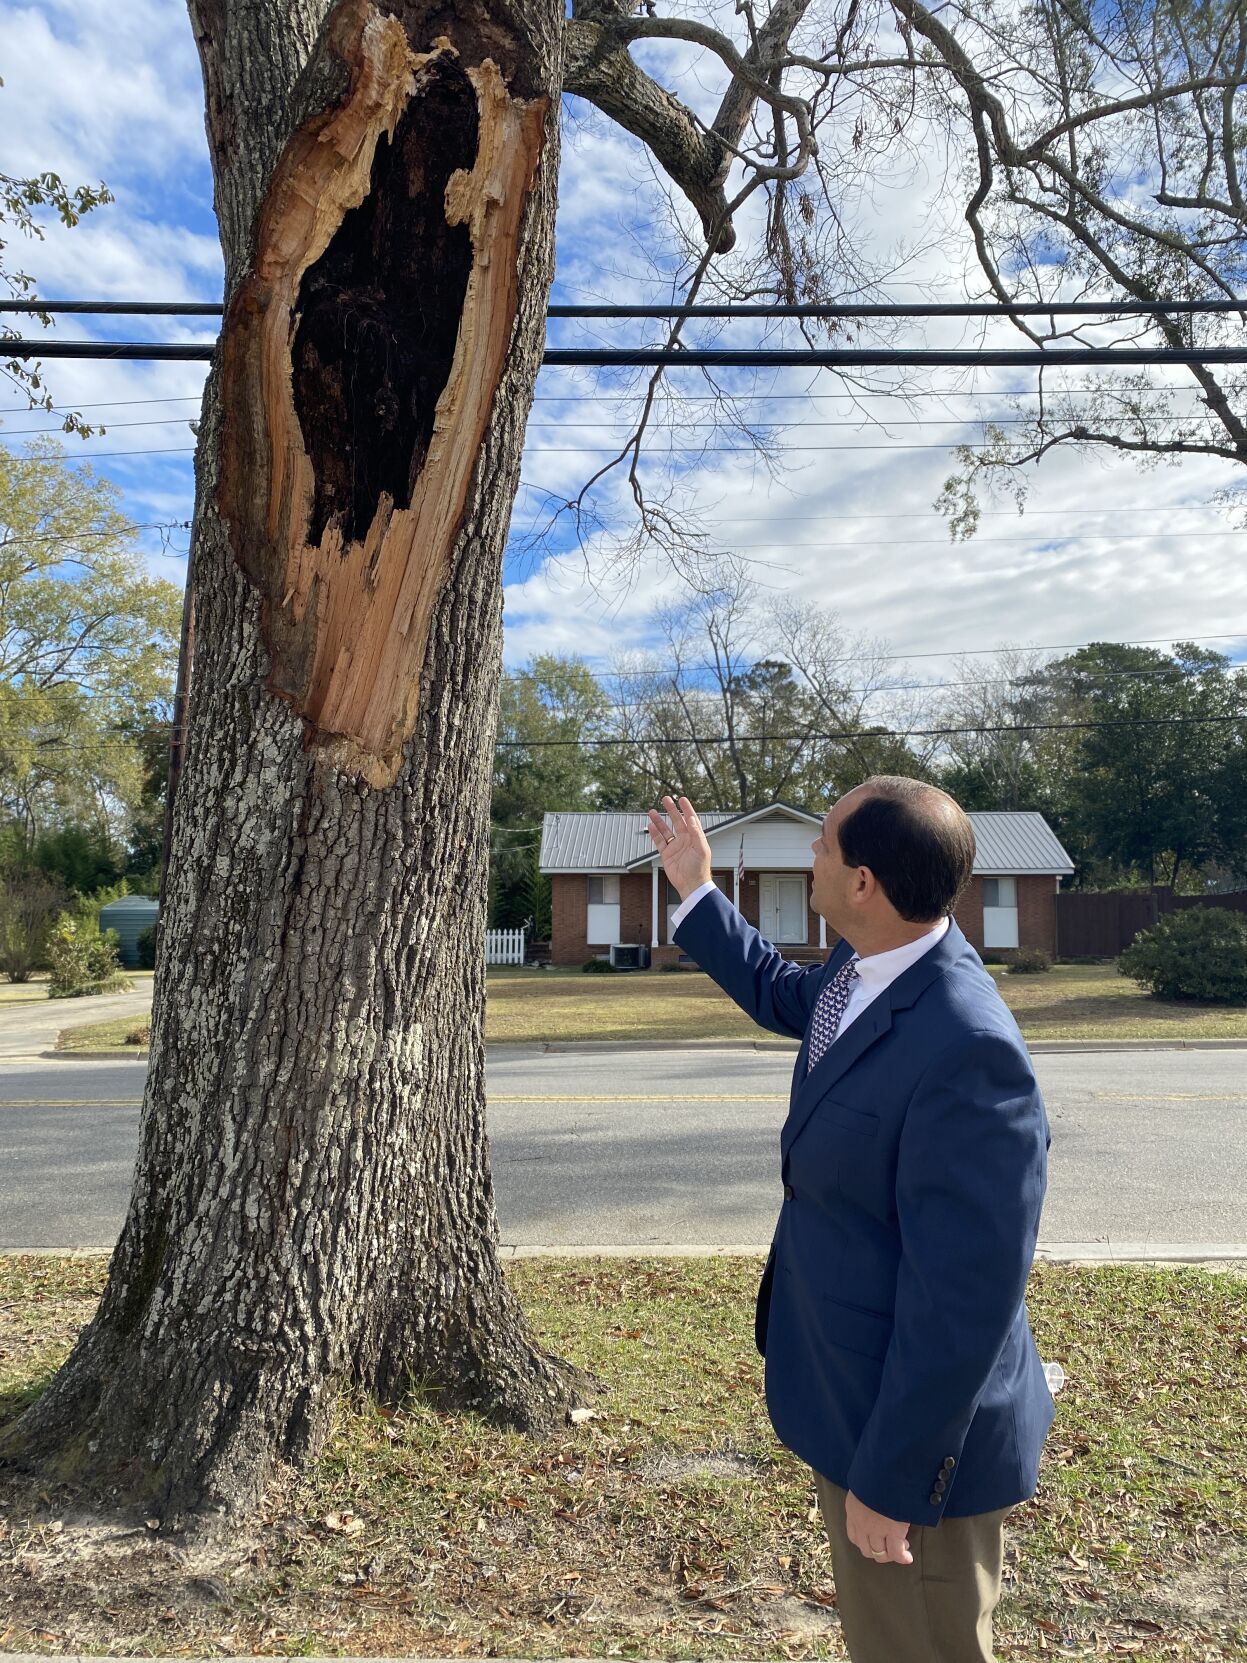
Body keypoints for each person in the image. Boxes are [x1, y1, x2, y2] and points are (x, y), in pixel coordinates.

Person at [646, 780, 1054, 1663]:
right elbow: (780, 994)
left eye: (823, 844)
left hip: (913, 1444)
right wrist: (695, 888)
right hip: (854, 1395)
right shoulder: (863, 966)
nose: (810, 857)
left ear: (863, 882)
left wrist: (894, 1476)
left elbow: (964, 1299)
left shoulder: (967, 1047)